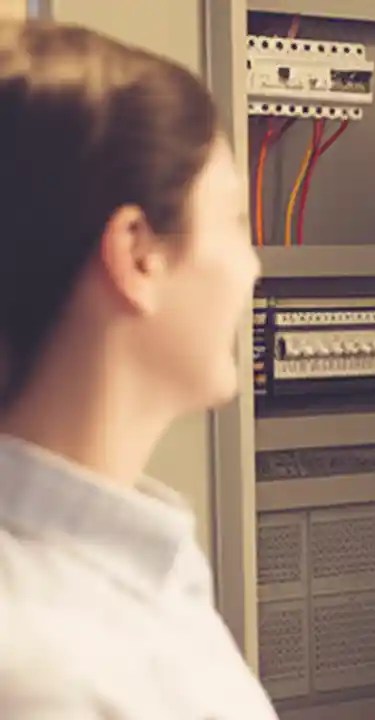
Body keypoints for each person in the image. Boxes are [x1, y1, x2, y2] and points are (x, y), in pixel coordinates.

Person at [0, 19, 278, 718]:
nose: (251, 267)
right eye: (234, 220)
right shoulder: (46, 676)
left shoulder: (135, 564)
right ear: (137, 254)